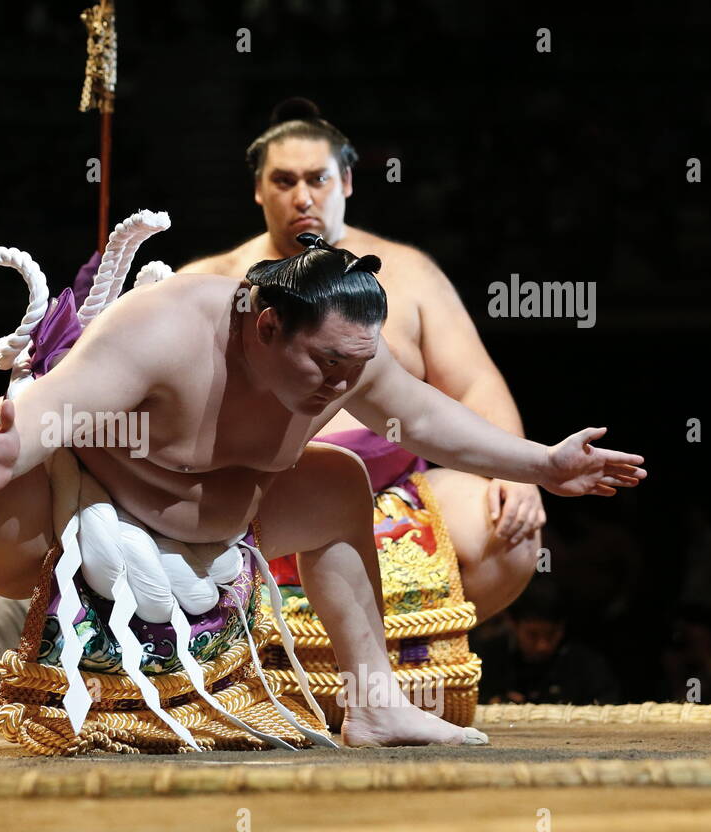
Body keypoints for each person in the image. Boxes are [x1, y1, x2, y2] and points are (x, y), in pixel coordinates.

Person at [0, 234, 644, 761]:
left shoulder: (346, 356)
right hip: (80, 509)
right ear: (264, 327)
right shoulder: (165, 328)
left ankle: (375, 706)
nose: (342, 384)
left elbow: (430, 419)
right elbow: (61, 403)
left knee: (336, 479)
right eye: (324, 364)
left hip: (229, 526)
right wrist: (11, 445)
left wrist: (540, 463)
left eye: (352, 367)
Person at [180, 98, 540, 622]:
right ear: (258, 188)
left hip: (393, 484)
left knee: (507, 528)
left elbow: (475, 383)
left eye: (318, 179)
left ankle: (395, 668)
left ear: (346, 181)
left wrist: (521, 472)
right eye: (283, 181)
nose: (302, 196)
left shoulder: (410, 273)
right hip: (254, 496)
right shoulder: (209, 281)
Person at [479, 577, 620, 705]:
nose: (543, 646)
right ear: (513, 625)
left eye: (551, 634)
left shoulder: (588, 667)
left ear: (562, 627)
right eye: (532, 635)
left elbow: (607, 706)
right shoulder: (484, 661)